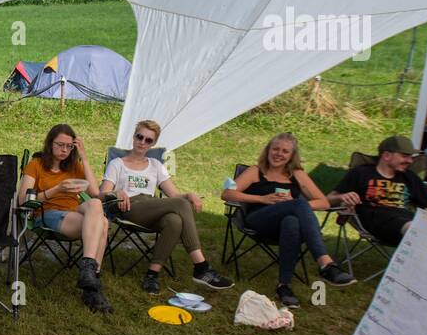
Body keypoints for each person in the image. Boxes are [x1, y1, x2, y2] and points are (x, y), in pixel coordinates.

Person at [221, 133, 356, 308]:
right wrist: (263, 199)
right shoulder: (255, 171)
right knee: (298, 203)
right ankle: (325, 263)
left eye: (285, 151)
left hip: (287, 228)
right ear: (268, 150)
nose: (279, 154)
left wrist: (295, 206)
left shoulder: (297, 174)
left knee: (292, 220)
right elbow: (227, 193)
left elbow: (323, 202)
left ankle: (284, 286)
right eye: (275, 149)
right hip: (259, 220)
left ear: (292, 156)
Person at [99, 119, 234, 294]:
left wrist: (189, 195)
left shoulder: (156, 165)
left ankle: (152, 274)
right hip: (130, 208)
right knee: (180, 205)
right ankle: (201, 267)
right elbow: (102, 194)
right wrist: (117, 193)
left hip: (151, 207)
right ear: (133, 137)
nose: (142, 142)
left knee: (174, 220)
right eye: (139, 137)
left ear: (153, 143)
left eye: (148, 140)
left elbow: (176, 197)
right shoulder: (117, 163)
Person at [19, 124, 112, 312]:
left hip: (74, 212)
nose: (64, 150)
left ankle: (87, 270)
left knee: (95, 205)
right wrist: (57, 189)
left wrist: (83, 157)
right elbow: (23, 200)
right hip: (46, 214)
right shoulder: (35, 165)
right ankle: (92, 285)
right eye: (60, 144)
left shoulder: (73, 166)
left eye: (69, 146)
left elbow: (95, 193)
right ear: (50, 143)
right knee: (102, 223)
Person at [329, 135, 427, 246]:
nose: (410, 161)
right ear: (386, 156)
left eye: (411, 157)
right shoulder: (361, 173)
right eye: (405, 156)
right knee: (416, 229)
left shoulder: (409, 177)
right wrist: (343, 196)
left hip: (408, 222)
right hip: (377, 222)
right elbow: (328, 199)